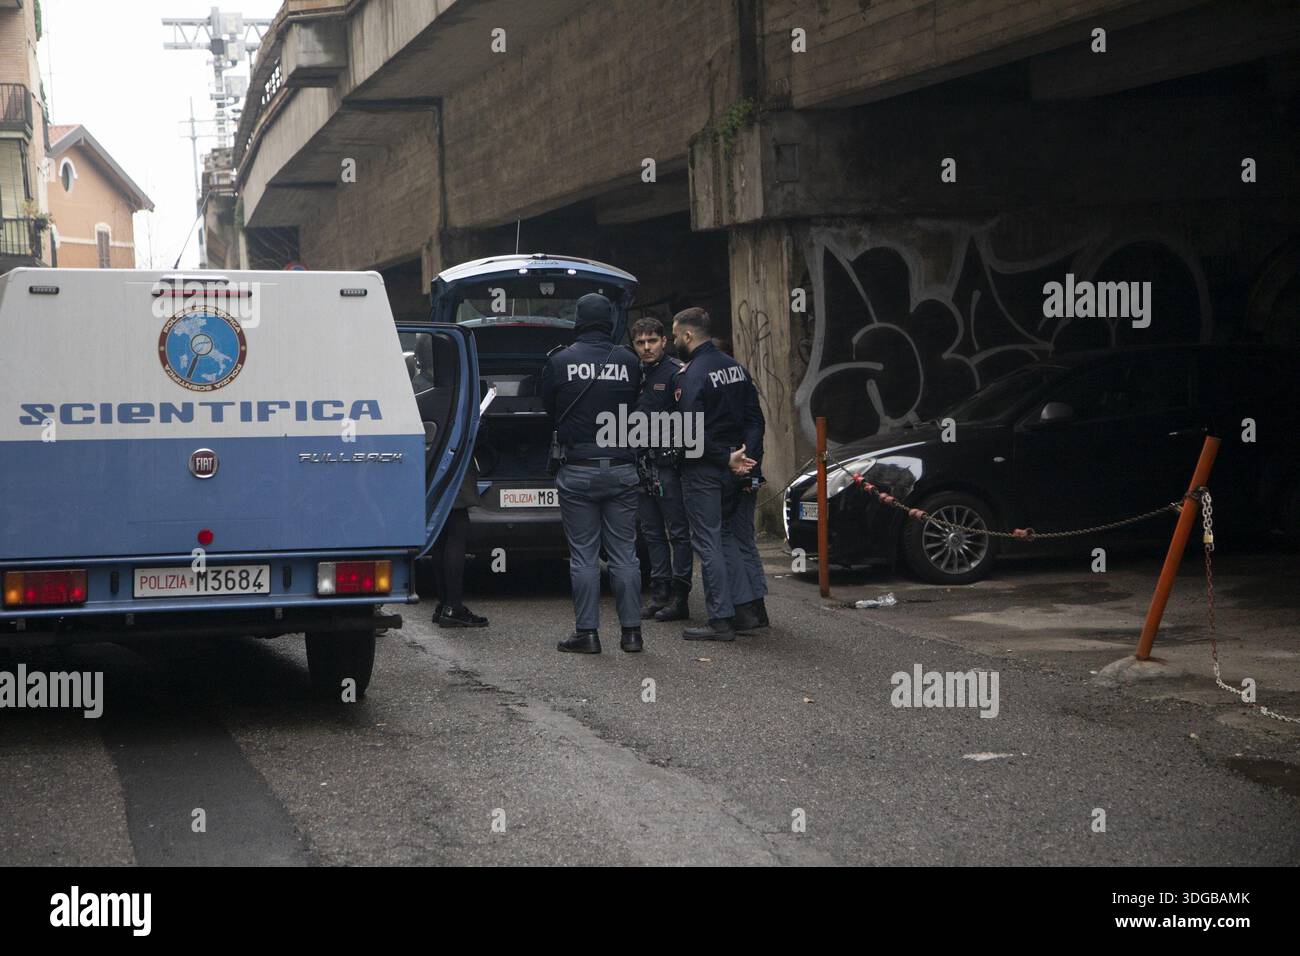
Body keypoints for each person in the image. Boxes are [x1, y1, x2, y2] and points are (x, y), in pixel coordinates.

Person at [539, 293, 644, 654]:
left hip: (579, 469)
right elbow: (637, 405)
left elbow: (548, 408)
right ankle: (632, 634)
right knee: (625, 554)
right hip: (622, 468)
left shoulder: (559, 360)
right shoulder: (630, 361)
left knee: (583, 555)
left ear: (578, 321)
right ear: (611, 321)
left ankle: (588, 635)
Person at [671, 307, 757, 641]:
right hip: (734, 465)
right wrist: (745, 456)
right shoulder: (736, 367)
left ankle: (720, 619)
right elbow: (754, 418)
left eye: (676, 335)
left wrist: (725, 458)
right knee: (725, 538)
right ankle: (747, 611)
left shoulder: (692, 373)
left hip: (706, 468)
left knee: (708, 542)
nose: (675, 340)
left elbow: (690, 430)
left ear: (688, 336)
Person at [630, 316, 692, 622]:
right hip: (641, 461)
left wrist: (676, 450)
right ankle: (660, 594)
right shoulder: (633, 372)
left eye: (652, 341)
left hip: (668, 464)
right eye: (640, 342)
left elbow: (689, 415)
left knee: (678, 532)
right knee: (651, 532)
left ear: (664, 341)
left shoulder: (677, 373)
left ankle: (681, 598)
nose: (646, 347)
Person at [726, 369, 769, 631]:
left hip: (737, 471)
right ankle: (757, 608)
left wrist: (744, 469)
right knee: (745, 539)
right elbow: (756, 426)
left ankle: (748, 611)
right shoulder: (743, 388)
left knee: (735, 539)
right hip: (749, 470)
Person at [431, 455, 489, 628]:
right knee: (457, 529)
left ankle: (443, 604)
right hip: (453, 455)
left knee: (441, 533)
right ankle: (453, 607)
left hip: (433, 458)